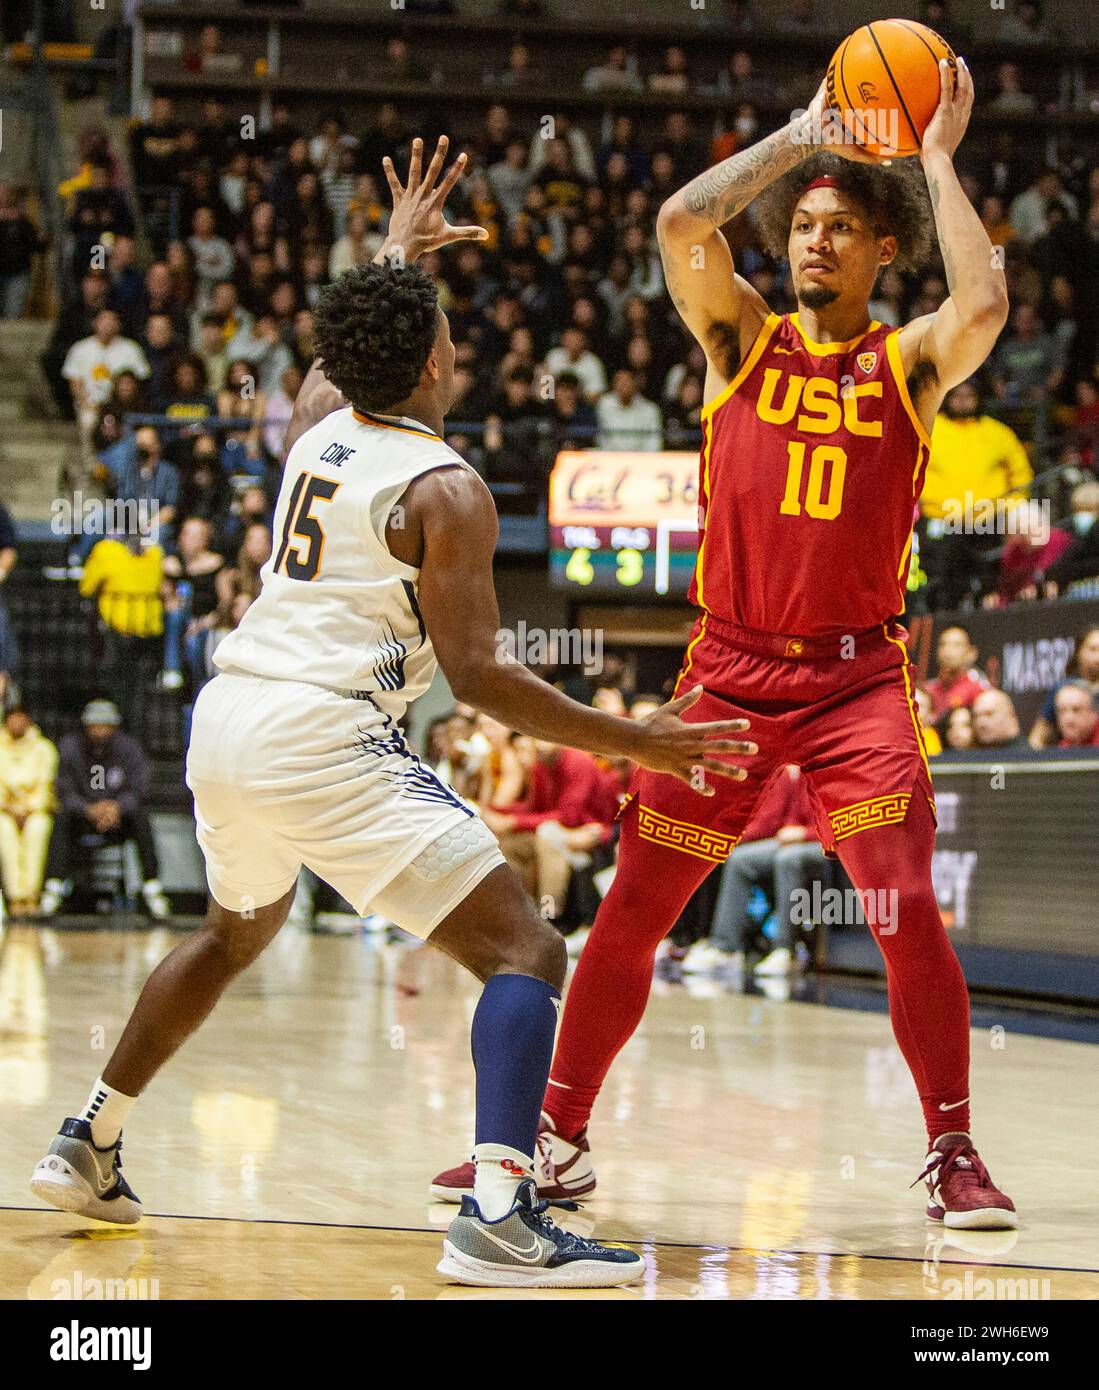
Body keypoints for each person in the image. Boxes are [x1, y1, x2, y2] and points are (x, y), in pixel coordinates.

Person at [30, 138, 753, 1290]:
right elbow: (480, 681)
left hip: (230, 716)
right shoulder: (446, 486)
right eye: (449, 339)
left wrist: (393, 253)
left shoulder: (317, 418)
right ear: (427, 363)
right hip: (323, 734)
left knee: (232, 933)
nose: (460, 353)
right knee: (526, 945)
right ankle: (503, 1211)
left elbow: (338, 352)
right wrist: (641, 737)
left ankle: (90, 1136)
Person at [436, 58, 1018, 1227]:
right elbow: (675, 221)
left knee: (900, 901)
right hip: (729, 682)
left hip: (856, 680)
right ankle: (556, 1135)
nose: (813, 242)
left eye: (840, 228)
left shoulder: (904, 364)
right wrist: (803, 133)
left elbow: (987, 305)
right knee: (632, 908)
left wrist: (937, 158)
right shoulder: (738, 340)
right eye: (802, 224)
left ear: (879, 249)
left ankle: (952, 1152)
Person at [684, 764, 821, 976]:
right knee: (739, 860)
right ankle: (724, 947)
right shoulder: (801, 771)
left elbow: (775, 821)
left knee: (788, 859)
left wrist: (805, 833)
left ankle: (786, 950)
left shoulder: (796, 772)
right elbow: (791, 818)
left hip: (824, 843)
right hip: (791, 839)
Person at [38, 700, 169, 920]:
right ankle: (53, 889)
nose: (99, 731)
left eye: (105, 725)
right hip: (83, 816)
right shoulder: (71, 748)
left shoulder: (129, 748)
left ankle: (152, 889)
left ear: (115, 727)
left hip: (119, 818)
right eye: (94, 725)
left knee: (141, 818)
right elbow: (63, 789)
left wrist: (117, 806)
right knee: (61, 819)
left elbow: (141, 787)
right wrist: (88, 808)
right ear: (85, 726)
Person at [0, 705, 58, 917]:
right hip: (4, 810)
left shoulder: (43, 748)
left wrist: (30, 807)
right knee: (4, 832)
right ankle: (15, 896)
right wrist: (8, 807)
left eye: (20, 718)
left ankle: (32, 895)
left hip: (35, 809)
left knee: (37, 830)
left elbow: (46, 784)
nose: (16, 723)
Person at [1029, 624, 1099, 748]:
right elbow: (1038, 735)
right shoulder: (1063, 689)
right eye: (1093, 649)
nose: (1097, 656)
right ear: (1079, 652)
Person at [925, 626, 990, 718]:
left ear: (971, 653)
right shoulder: (929, 689)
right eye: (943, 644)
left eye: (957, 645)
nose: (948, 651)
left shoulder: (978, 689)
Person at [1053, 681, 1099, 748]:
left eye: (1076, 710)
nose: (1068, 719)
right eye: (1062, 711)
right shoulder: (1062, 748)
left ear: (1094, 713)